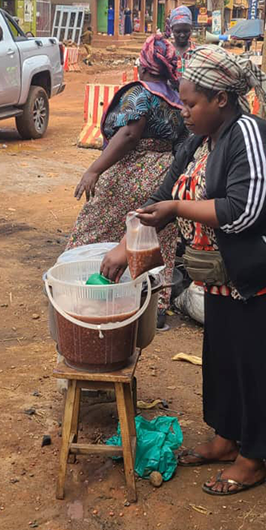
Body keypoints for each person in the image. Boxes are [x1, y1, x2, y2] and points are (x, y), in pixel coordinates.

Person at [100, 45, 266, 496]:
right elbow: (160, 196)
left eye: (191, 102)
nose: (183, 111)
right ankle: (225, 438)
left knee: (261, 364)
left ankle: (253, 456)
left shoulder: (251, 136)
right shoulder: (200, 140)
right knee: (225, 361)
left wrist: (178, 206)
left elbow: (244, 212)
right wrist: (126, 247)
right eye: (182, 101)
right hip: (227, 279)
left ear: (221, 99)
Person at [68, 34, 188, 330]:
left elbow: (129, 135)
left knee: (95, 225)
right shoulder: (178, 97)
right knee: (155, 239)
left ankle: (80, 288)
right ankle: (153, 306)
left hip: (131, 170)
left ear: (146, 67)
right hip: (164, 173)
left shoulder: (140, 93)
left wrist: (94, 169)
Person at [165, 6, 196, 76]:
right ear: (171, 29)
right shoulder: (166, 51)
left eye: (186, 31)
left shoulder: (196, 51)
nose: (182, 35)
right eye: (178, 31)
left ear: (191, 29)